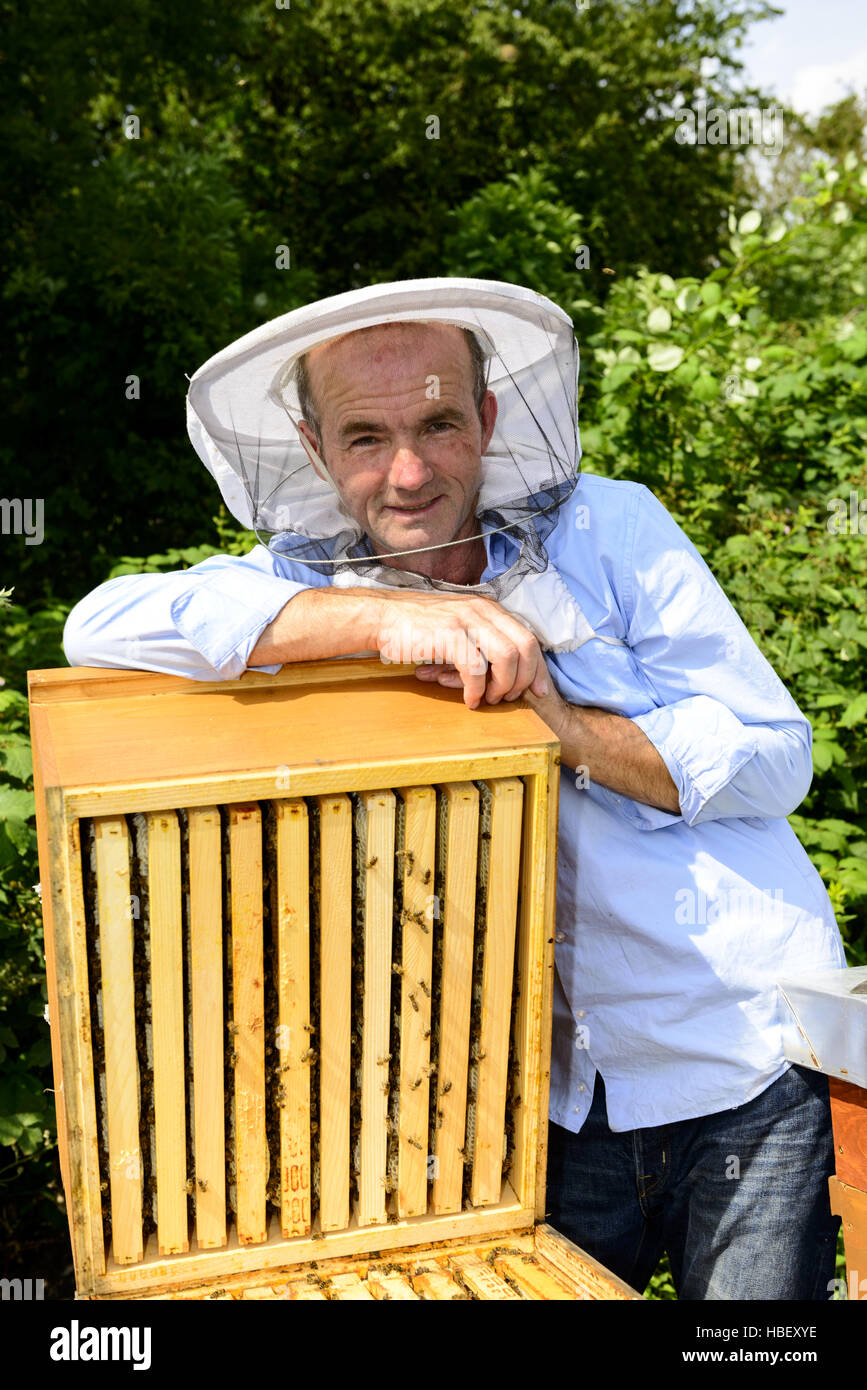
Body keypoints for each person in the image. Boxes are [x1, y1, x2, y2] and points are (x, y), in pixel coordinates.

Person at [63, 278, 846, 1300]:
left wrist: (564, 729)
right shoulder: (312, 581)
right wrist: (377, 625)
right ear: (312, 449)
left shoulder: (613, 529)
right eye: (364, 437)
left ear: (486, 418)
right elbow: (101, 624)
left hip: (741, 1052)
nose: (409, 470)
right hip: (540, 1101)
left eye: (438, 421)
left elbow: (780, 757)